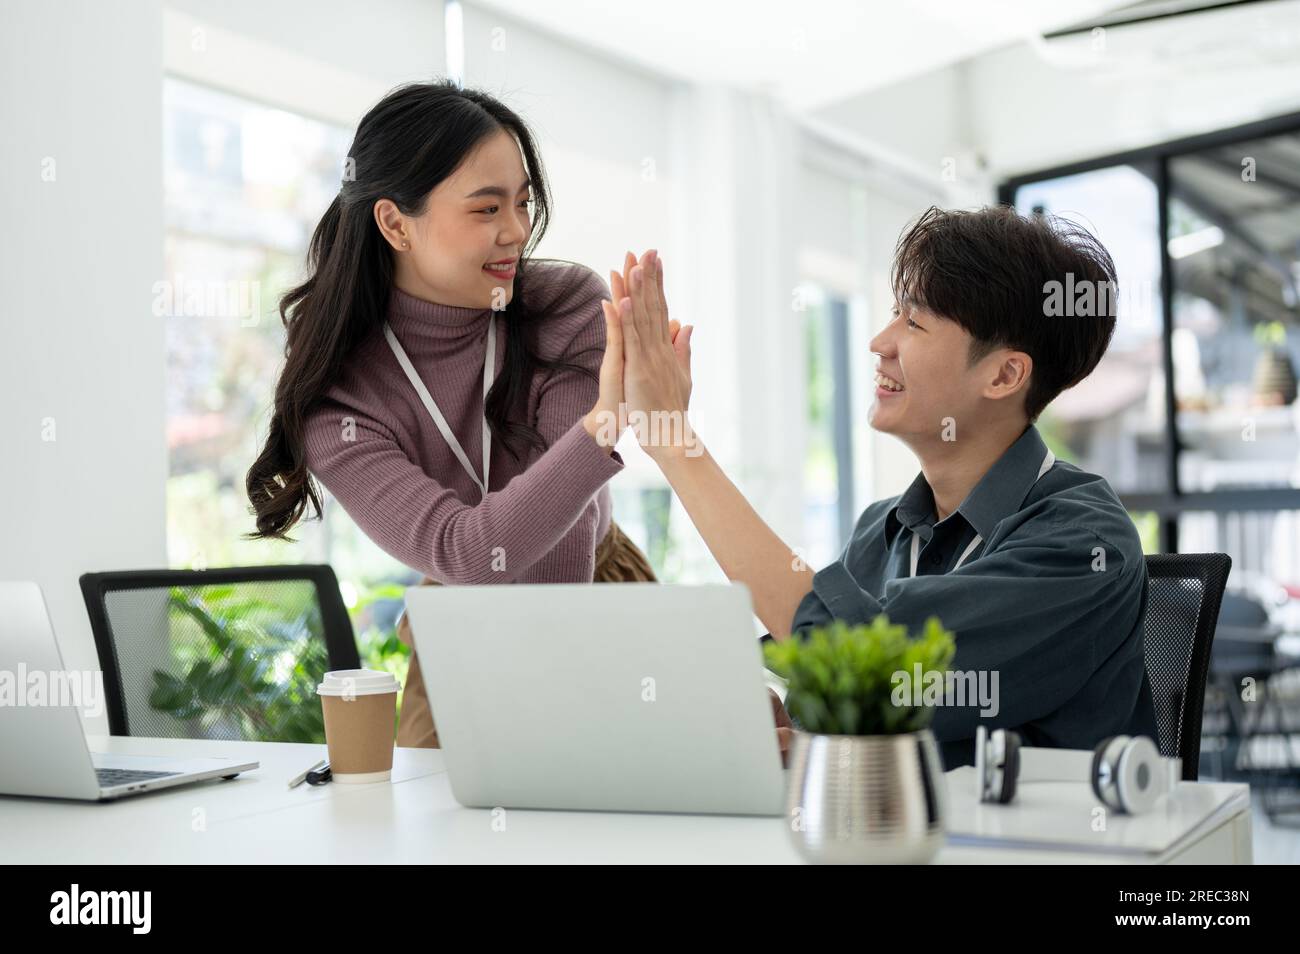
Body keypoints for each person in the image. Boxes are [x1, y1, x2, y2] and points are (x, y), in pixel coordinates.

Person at [602, 206, 1160, 768]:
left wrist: (673, 442)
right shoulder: (885, 527)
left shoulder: (1083, 542)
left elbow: (870, 672)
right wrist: (798, 733)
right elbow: (847, 698)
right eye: (896, 312)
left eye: (914, 323)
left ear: (1004, 375)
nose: (879, 342)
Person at [244, 80, 656, 748]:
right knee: (427, 804)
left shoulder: (565, 306)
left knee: (598, 797)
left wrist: (556, 695)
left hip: (592, 588)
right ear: (395, 224)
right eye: (486, 208)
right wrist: (602, 422)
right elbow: (464, 551)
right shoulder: (337, 397)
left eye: (523, 202)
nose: (516, 231)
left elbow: (567, 530)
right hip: (459, 609)